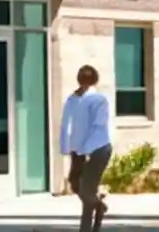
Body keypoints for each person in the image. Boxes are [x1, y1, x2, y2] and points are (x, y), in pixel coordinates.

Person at [59, 64, 113, 232]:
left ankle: (87, 228)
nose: (84, 84)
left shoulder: (98, 100)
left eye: (87, 81)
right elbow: (66, 124)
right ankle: (99, 206)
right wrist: (66, 148)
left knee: (87, 189)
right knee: (75, 185)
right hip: (78, 151)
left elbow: (99, 127)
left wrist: (87, 151)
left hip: (98, 149)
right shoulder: (72, 100)